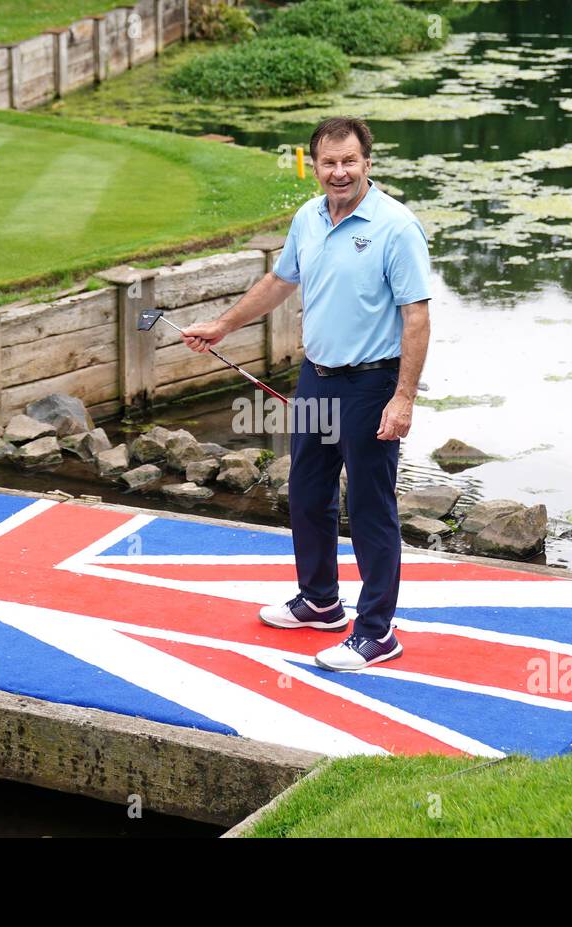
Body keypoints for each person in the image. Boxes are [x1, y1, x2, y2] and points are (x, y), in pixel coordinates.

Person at [181, 115, 432, 671]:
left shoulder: (396, 227)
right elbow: (279, 281)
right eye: (328, 162)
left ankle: (377, 632)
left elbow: (416, 316)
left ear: (368, 162)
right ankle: (320, 601)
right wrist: (224, 325)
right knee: (308, 491)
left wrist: (404, 398)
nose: (339, 172)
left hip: (372, 383)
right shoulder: (309, 218)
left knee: (370, 508)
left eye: (349, 161)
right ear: (314, 166)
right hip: (318, 377)